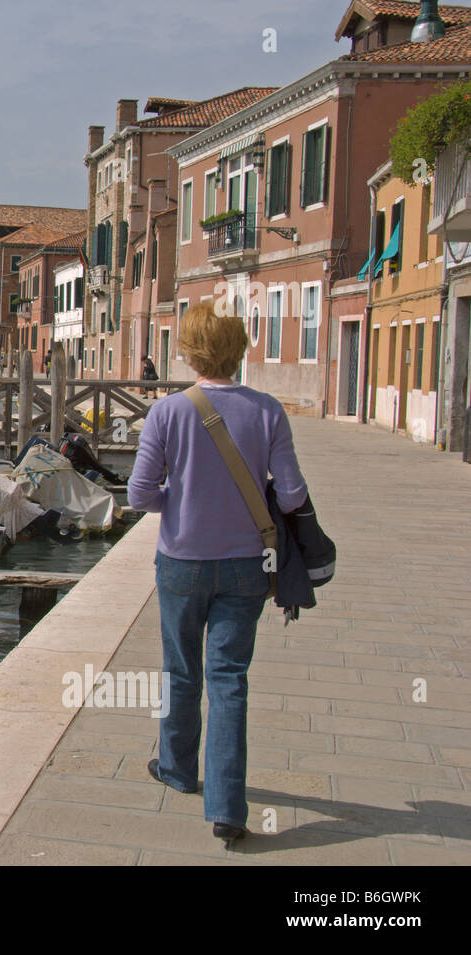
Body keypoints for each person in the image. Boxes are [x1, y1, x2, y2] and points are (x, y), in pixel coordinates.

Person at [127, 302, 307, 843]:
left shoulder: (167, 411)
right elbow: (294, 493)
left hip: (181, 562)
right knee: (229, 679)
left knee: (182, 670)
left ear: (189, 352)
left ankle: (179, 771)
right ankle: (228, 808)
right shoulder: (268, 409)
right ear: (239, 350)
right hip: (248, 565)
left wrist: (179, 498)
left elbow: (138, 494)